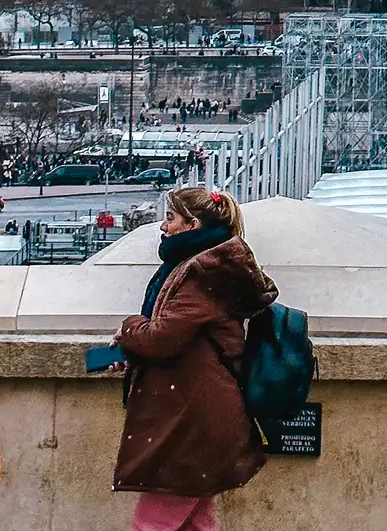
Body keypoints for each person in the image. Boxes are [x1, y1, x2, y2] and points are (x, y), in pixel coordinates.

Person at [112, 185, 279, 531]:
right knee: (197, 524)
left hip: (190, 423)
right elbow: (184, 341)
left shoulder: (203, 274)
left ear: (193, 225)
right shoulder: (199, 267)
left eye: (170, 218)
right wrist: (132, 349)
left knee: (151, 524)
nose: (163, 226)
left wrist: (130, 328)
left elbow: (161, 339)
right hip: (196, 416)